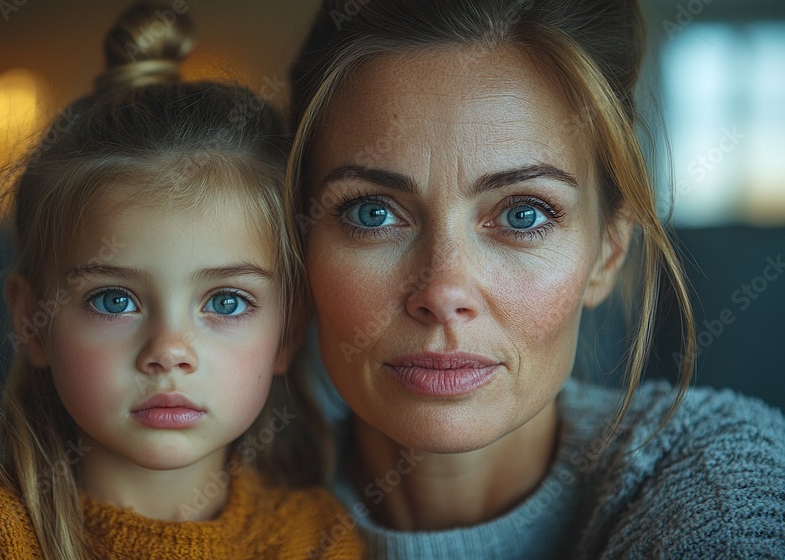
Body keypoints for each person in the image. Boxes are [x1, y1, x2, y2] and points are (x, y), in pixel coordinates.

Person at [286, 0, 785, 558]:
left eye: (523, 214)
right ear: (297, 244)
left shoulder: (709, 476)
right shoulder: (210, 503)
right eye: (372, 212)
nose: (444, 291)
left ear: (608, 251)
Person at [0, 3, 363, 559]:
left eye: (226, 301)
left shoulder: (317, 541)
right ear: (31, 323)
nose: (168, 351)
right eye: (114, 298)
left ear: (289, 331)